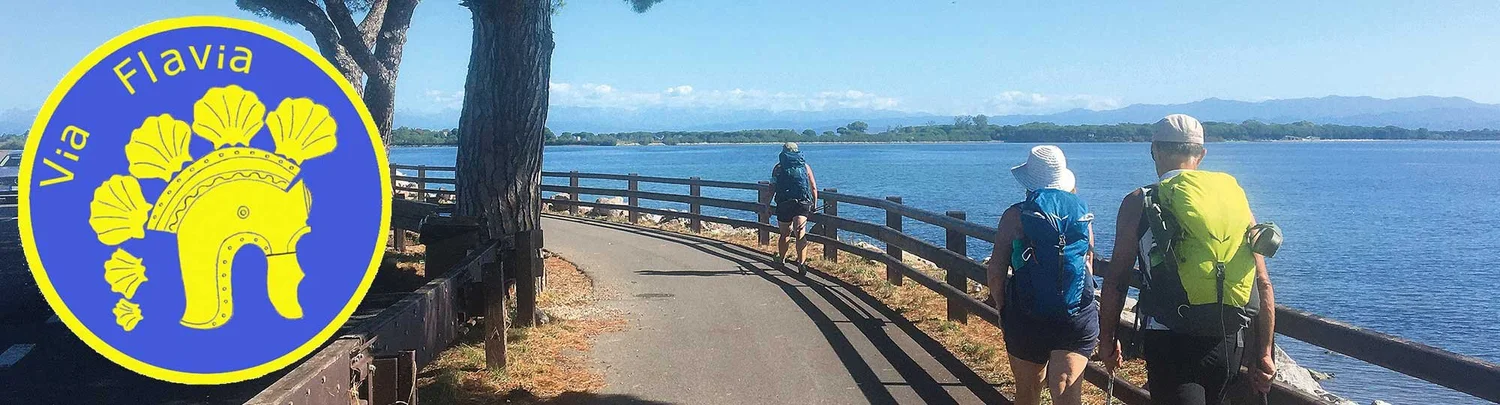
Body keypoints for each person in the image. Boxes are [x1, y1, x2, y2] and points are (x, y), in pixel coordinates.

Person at [1098, 114, 1278, 405]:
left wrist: (1107, 339)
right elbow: (1263, 282)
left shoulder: (1141, 200)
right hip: (1229, 338)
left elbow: (1118, 280)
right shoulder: (1233, 199)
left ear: (1154, 150)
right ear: (1202, 154)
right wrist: (1264, 353)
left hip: (1170, 337)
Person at [986, 145, 1096, 405]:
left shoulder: (1015, 216)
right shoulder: (1081, 216)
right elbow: (1088, 265)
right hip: (1076, 314)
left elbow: (996, 270)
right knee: (1067, 391)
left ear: (1029, 182)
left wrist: (1003, 308)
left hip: (1026, 313)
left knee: (1028, 392)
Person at [770, 142, 818, 266]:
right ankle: (801, 263)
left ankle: (781, 260)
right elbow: (813, 187)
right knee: (800, 233)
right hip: (802, 203)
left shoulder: (778, 168)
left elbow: (772, 187)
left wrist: (766, 204)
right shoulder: (805, 167)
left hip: (784, 204)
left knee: (785, 234)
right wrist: (814, 203)